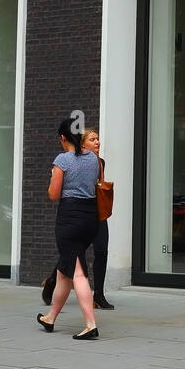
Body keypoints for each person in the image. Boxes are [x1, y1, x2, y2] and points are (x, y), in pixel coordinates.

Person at [37, 118, 101, 340]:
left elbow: (54, 195)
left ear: (63, 138)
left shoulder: (62, 160)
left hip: (70, 220)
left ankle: (90, 324)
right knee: (64, 272)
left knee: (78, 274)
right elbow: (96, 183)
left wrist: (53, 177)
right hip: (90, 219)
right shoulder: (94, 159)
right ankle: (50, 317)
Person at [42, 127, 114, 310]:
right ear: (82, 144)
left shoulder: (100, 162)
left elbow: (99, 186)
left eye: (98, 139)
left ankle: (98, 295)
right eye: (92, 139)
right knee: (74, 252)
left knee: (102, 251)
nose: (97, 142)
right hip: (79, 215)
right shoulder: (69, 160)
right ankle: (52, 280)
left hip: (97, 213)